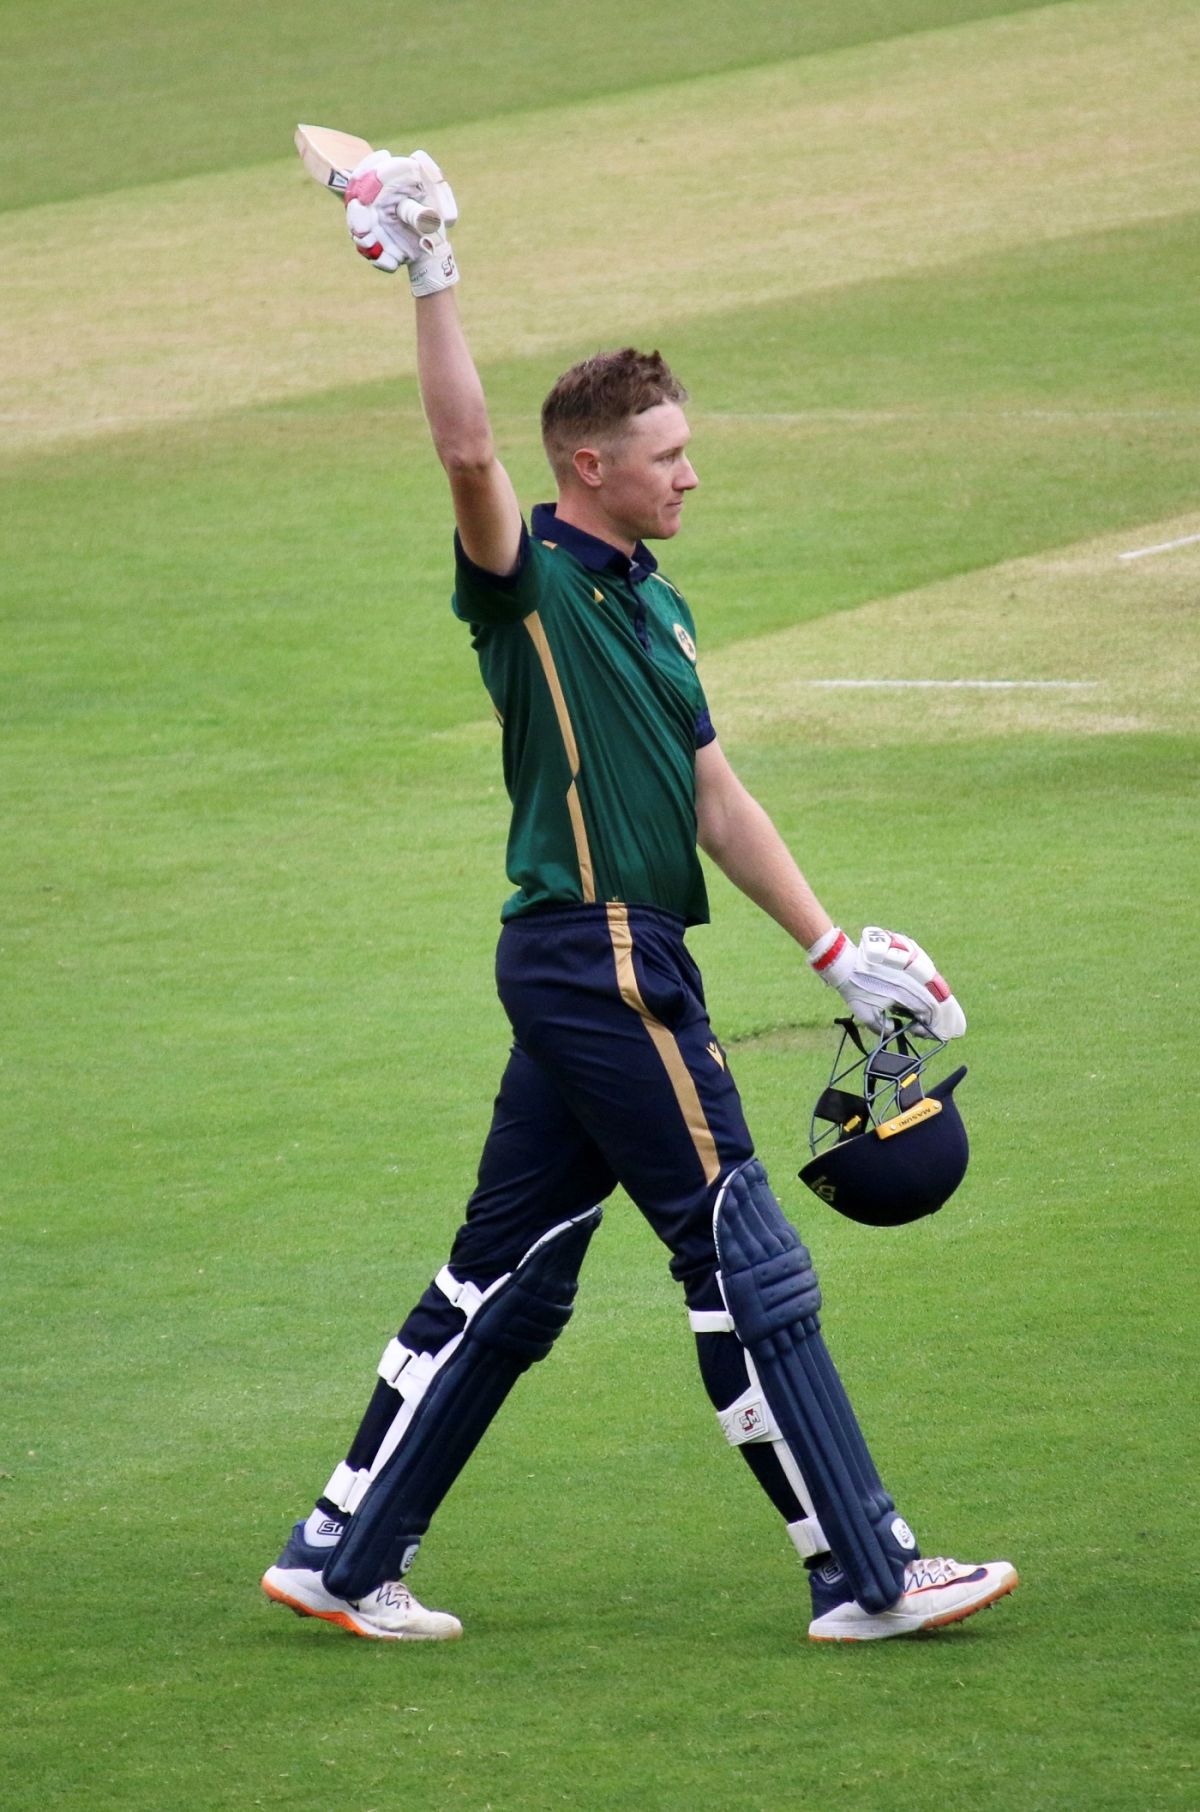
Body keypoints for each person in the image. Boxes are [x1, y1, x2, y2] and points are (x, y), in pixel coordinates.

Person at [261, 148, 1017, 1643]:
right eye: (665, 454)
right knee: (739, 1241)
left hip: (609, 959)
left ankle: (339, 1556)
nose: (690, 472)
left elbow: (714, 795)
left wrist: (830, 947)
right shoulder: (524, 577)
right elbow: (470, 458)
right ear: (589, 466)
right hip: (595, 955)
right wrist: (431, 270)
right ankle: (865, 1571)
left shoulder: (657, 605)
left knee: (515, 1272)